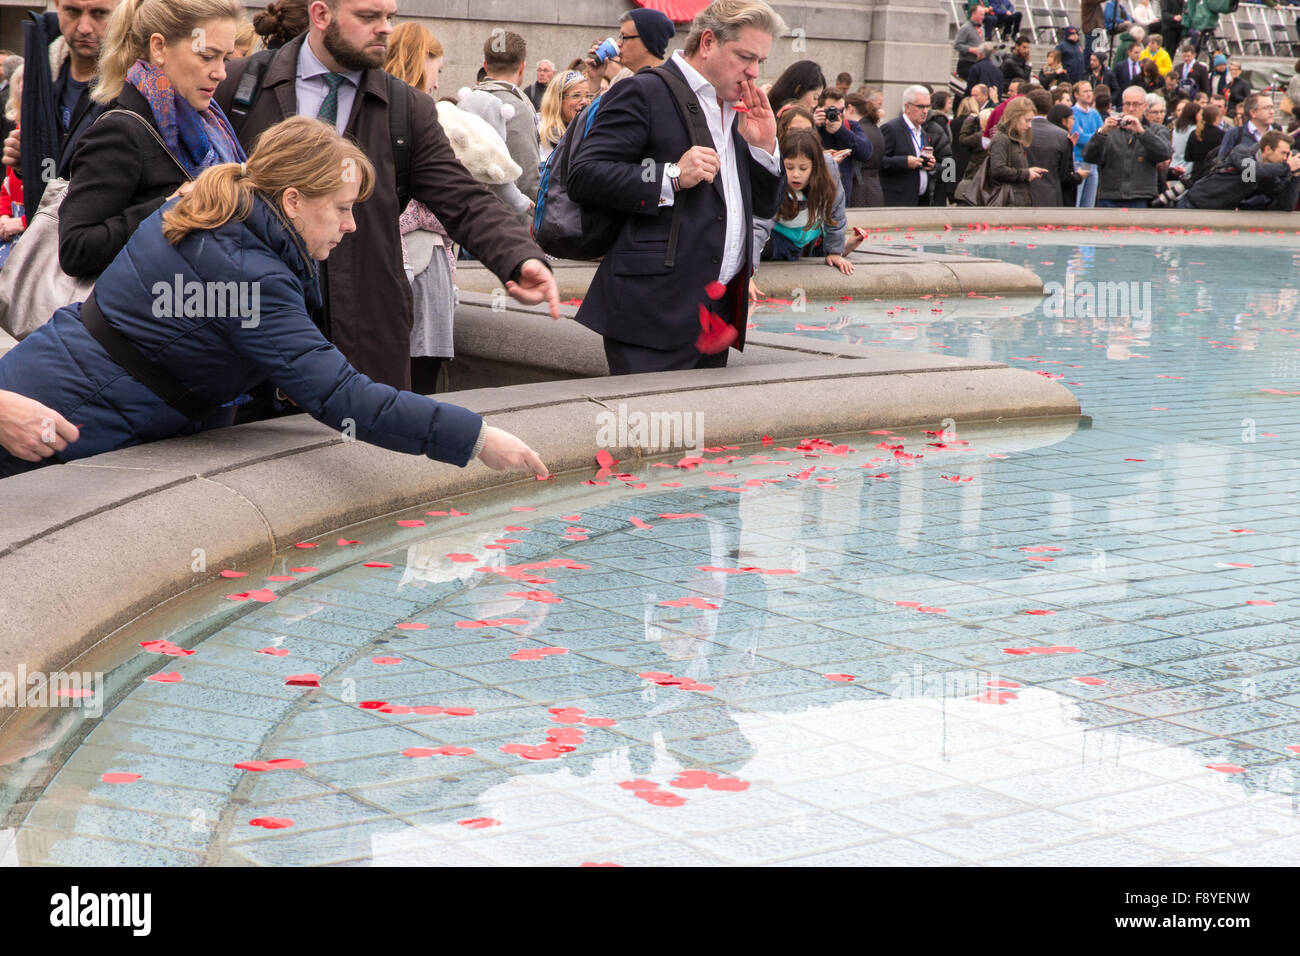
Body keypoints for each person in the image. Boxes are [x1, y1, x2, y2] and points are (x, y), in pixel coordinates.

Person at [0, 118, 548, 479]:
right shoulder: (247, 274)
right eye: (341, 207)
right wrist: (476, 437)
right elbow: (341, 396)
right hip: (61, 414)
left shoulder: (222, 210)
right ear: (291, 200)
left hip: (58, 385)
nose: (352, 225)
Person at [214, 0, 560, 392]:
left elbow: (462, 198)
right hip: (252, 338)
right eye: (368, 17)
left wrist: (518, 256)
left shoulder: (406, 108)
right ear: (321, 15)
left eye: (389, 17)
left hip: (365, 340)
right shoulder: (240, 85)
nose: (385, 29)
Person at [566, 0, 786, 375]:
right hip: (650, 317)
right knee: (651, 434)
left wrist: (766, 147)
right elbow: (585, 174)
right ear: (707, 43)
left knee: (698, 434)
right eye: (745, 57)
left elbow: (763, 208)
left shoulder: (737, 106)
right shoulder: (645, 91)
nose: (753, 73)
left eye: (760, 62)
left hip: (714, 316)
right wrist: (670, 176)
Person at [58, 0, 247, 280]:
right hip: (138, 317)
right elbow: (76, 249)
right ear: (159, 48)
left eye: (226, 58)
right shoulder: (122, 131)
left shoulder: (210, 124)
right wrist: (172, 205)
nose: (221, 72)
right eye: (207, 56)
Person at [383, 20, 452, 395]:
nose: (438, 82)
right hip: (417, 268)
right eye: (436, 69)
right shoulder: (415, 115)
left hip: (410, 266)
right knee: (416, 380)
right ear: (418, 59)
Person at [8, 0, 121, 214]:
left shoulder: (133, 83)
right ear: (57, 5)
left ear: (120, 9)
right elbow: (50, 173)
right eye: (73, 11)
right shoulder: (41, 73)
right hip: (48, 235)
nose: (84, 27)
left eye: (99, 13)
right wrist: (29, 162)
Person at [752, 128, 852, 273]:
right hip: (775, 235)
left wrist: (835, 252)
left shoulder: (828, 177)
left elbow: (836, 215)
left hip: (799, 240)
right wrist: (748, 271)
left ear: (815, 166)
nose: (796, 175)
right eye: (789, 167)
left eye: (803, 168)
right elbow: (760, 224)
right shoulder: (774, 176)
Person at [474, 31, 540, 203]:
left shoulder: (466, 101)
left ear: (485, 66)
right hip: (507, 219)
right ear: (522, 67)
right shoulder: (517, 108)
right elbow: (527, 178)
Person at [1083, 83, 1172, 205]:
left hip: (1141, 196)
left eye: (1135, 104)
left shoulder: (1156, 130)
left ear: (1144, 106)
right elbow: (1089, 156)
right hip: (1109, 197)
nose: (1131, 108)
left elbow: (1164, 154)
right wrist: (1101, 133)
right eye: (1127, 104)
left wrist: (1141, 132)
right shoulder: (1110, 129)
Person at [1179, 128, 1300, 209]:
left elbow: (1285, 205)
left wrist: (1295, 177)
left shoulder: (1269, 175)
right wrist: (1287, 167)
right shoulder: (1242, 152)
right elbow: (1252, 171)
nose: (1286, 158)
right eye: (1283, 153)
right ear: (1268, 150)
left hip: (1219, 212)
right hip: (1193, 204)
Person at [590, 7, 675, 91]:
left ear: (646, 42)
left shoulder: (666, 83)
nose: (618, 43)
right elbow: (603, 105)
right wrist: (596, 80)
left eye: (624, 37)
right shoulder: (623, 76)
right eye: (620, 37)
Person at [880, 85, 937, 206]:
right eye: (921, 106)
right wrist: (904, 162)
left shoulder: (923, 132)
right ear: (907, 106)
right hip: (898, 201)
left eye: (928, 106)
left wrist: (932, 165)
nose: (925, 111)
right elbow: (879, 161)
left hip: (921, 200)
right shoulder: (892, 128)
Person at [984, 96, 1045, 205]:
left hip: (1016, 200)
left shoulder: (1014, 139)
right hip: (1008, 202)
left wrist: (1028, 172)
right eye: (1027, 120)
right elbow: (998, 170)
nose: (1029, 125)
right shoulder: (1001, 139)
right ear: (1014, 117)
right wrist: (1026, 173)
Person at [816, 86, 872, 201]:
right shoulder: (813, 126)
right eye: (831, 110)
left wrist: (842, 131)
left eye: (840, 111)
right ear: (820, 109)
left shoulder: (850, 127)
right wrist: (812, 126)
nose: (837, 115)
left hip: (842, 197)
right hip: (815, 195)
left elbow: (866, 153)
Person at [1025, 87, 1076, 205]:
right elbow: (1064, 173)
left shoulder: (1020, 132)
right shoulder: (1062, 135)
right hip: (1051, 196)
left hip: (1025, 194)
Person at [538, 69, 592, 163]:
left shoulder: (591, 131)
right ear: (558, 100)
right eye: (576, 95)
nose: (584, 101)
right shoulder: (539, 131)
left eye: (588, 96)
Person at [843, 92, 884, 206]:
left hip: (860, 191)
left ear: (850, 108)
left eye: (842, 110)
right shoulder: (874, 128)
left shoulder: (859, 132)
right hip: (873, 187)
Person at [1048, 101, 1083, 202]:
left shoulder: (1052, 138)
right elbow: (1065, 176)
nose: (1073, 122)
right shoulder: (1062, 140)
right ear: (1064, 121)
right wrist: (1079, 176)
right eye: (1072, 119)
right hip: (1062, 197)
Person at [925, 90, 955, 205]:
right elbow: (946, 149)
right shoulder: (940, 120)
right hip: (939, 168)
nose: (951, 106)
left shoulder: (935, 120)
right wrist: (949, 178)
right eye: (949, 103)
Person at [1183, 102, 1222, 183]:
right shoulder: (1222, 135)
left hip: (1196, 175)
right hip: (1213, 176)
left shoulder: (1195, 133)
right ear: (1217, 118)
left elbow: (1187, 157)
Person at [954, 6, 986, 83]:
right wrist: (971, 49)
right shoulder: (965, 28)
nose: (983, 17)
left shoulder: (981, 29)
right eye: (981, 15)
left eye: (983, 15)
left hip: (978, 63)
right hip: (966, 64)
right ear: (973, 14)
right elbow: (957, 45)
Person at [1170, 99, 1198, 174]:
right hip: (1187, 169)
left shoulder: (1176, 129)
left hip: (1174, 166)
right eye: (1178, 110)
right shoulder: (1194, 130)